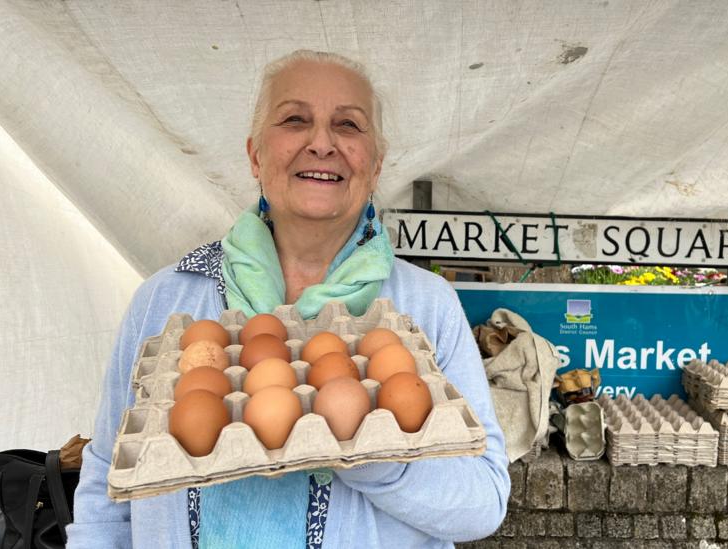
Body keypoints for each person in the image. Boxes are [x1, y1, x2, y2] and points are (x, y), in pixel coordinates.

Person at [66, 50, 510, 548]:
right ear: (256, 155)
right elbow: (105, 485)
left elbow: (484, 501)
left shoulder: (427, 305)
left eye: (348, 125)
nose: (322, 143)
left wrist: (363, 449)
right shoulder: (167, 298)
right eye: (295, 119)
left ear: (376, 164)